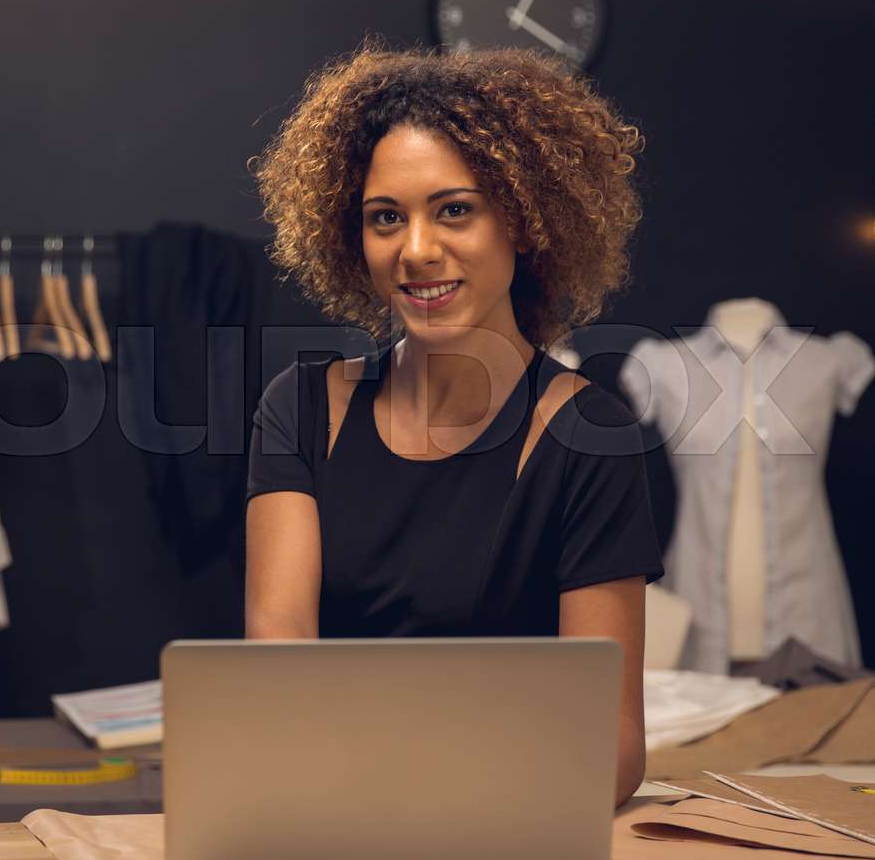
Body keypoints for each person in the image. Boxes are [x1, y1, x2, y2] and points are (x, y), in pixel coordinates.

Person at [245, 44, 663, 805]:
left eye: (455, 210)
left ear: (526, 219)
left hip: (508, 826)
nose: (416, 251)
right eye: (384, 219)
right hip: (332, 818)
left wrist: (433, 795)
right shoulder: (302, 409)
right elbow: (277, 674)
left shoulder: (589, 437)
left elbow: (611, 750)